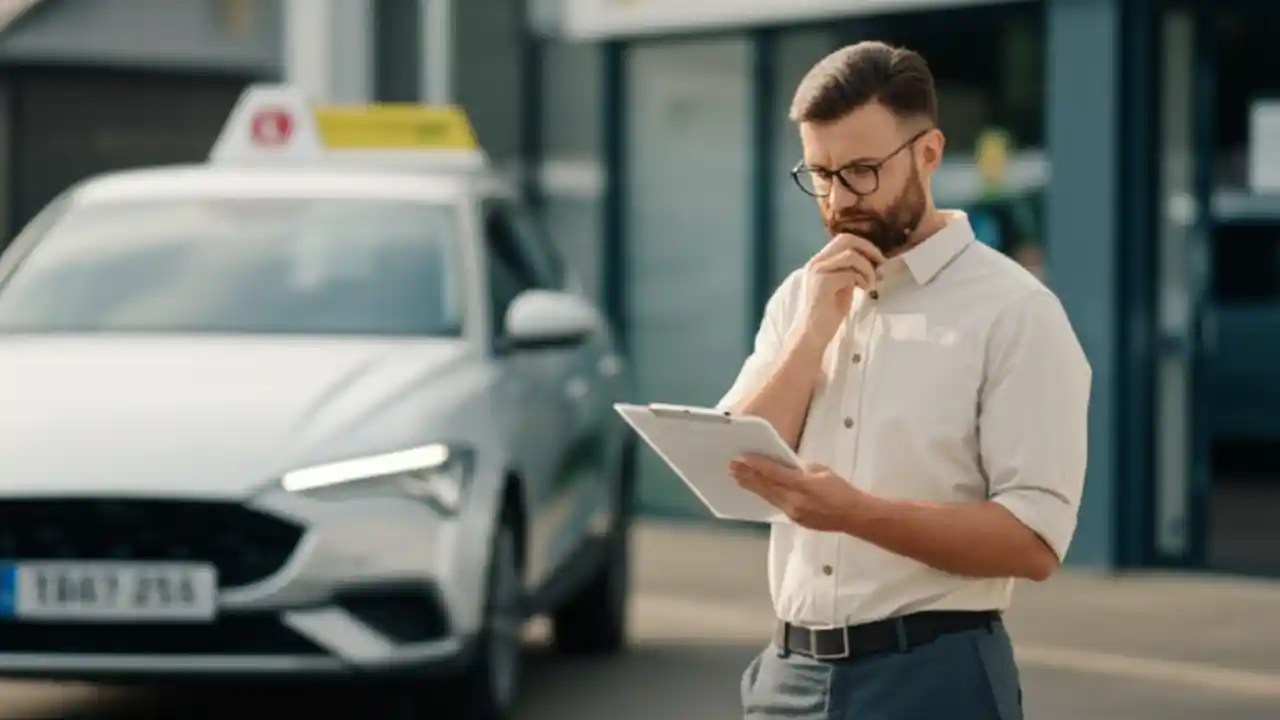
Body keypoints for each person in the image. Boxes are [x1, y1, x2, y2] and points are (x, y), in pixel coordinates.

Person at [719, 40, 1091, 720]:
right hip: (788, 681)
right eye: (821, 174)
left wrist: (854, 514)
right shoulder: (802, 295)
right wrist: (813, 331)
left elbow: (1033, 542)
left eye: (862, 171)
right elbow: (735, 462)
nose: (838, 199)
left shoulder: (1015, 312)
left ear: (929, 153)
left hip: (934, 679)